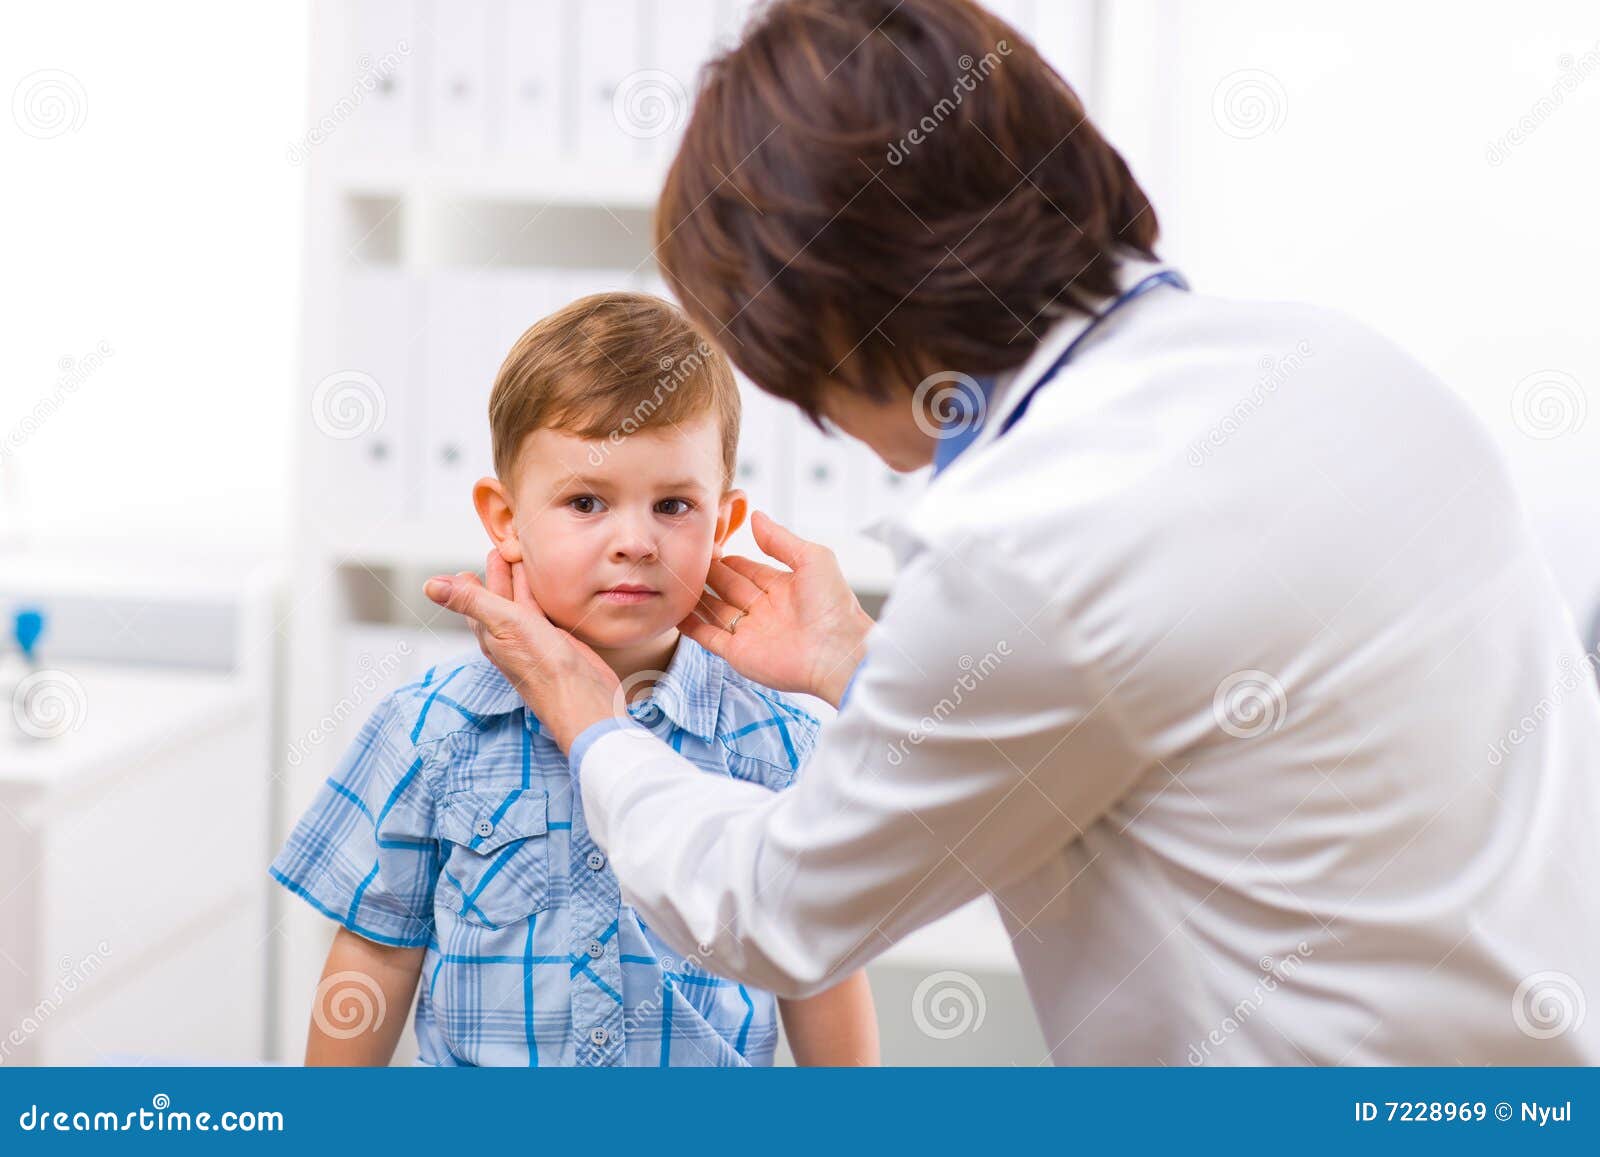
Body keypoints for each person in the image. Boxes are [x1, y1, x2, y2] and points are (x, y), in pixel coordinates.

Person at [427, 0, 1600, 1064]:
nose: (817, 413)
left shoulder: (1031, 541)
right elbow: (1181, 729)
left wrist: (589, 720)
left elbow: (774, 909)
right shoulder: (1337, 363)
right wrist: (863, 664)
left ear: (834, 316)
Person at [274, 292, 879, 1066]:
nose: (634, 540)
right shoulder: (428, 730)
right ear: (504, 518)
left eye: (673, 505)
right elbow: (377, 954)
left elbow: (819, 973)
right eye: (586, 502)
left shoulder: (778, 745)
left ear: (724, 522)